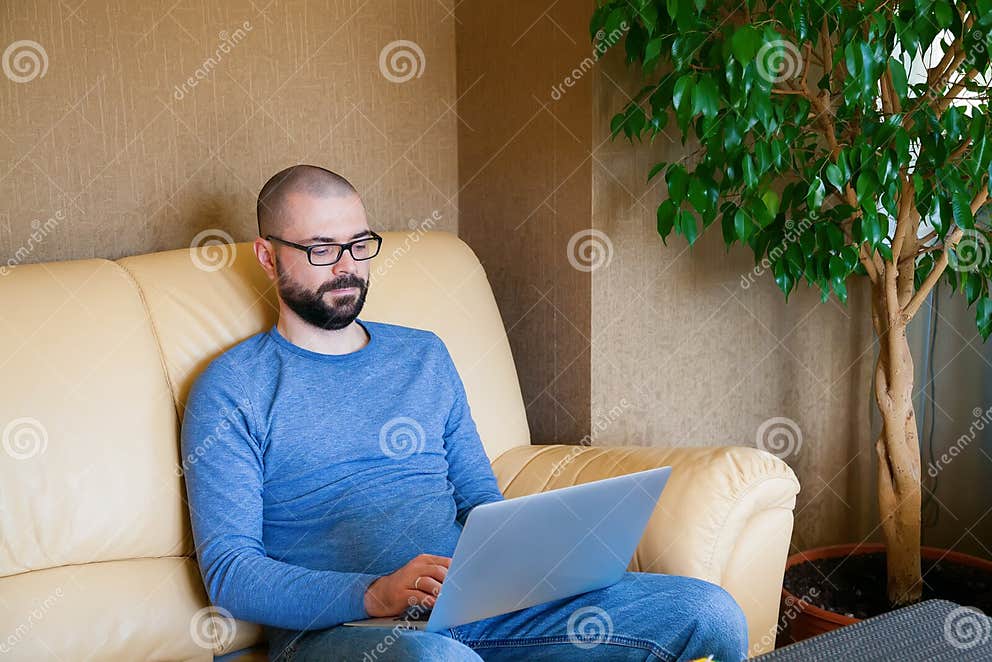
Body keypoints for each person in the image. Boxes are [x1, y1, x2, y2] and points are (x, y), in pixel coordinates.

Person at [181, 165, 749, 661]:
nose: (347, 267)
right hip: (341, 633)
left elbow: (480, 499)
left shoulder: (422, 354)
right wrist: (375, 593)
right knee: (437, 658)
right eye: (322, 249)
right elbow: (231, 572)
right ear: (266, 255)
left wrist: (529, 564)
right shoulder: (233, 388)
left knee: (709, 612)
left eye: (359, 245)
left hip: (478, 608)